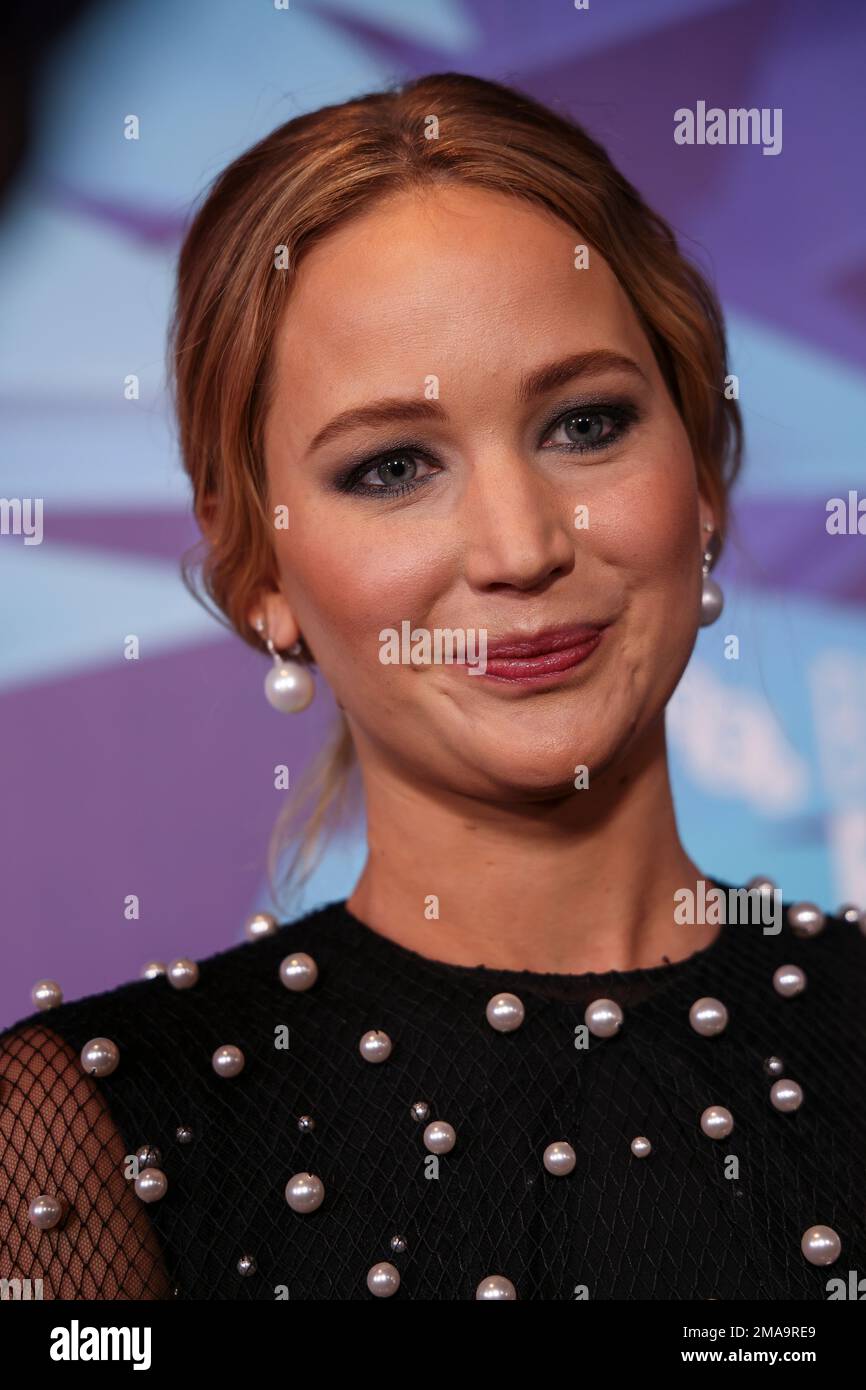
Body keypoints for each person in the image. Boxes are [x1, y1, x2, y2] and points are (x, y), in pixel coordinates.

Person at [1, 72, 863, 1302]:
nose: (519, 548)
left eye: (584, 424)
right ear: (262, 570)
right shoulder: (88, 1137)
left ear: (703, 472)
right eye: (391, 465)